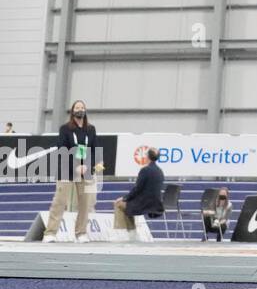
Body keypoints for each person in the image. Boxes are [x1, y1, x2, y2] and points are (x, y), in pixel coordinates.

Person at [42, 101, 100, 243]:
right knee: (60, 201)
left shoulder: (91, 129)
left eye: (82, 107)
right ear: (73, 111)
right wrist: (75, 166)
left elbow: (94, 150)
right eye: (77, 107)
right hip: (67, 169)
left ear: (85, 111)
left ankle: (81, 233)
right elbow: (62, 149)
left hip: (85, 170)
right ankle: (50, 232)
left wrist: (88, 166)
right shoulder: (65, 129)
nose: (80, 110)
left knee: (85, 203)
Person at [114, 147, 165, 241]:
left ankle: (126, 233)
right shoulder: (160, 171)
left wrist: (124, 198)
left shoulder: (145, 170)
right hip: (156, 204)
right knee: (128, 206)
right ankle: (131, 232)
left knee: (118, 204)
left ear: (147, 157)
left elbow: (137, 189)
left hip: (145, 204)